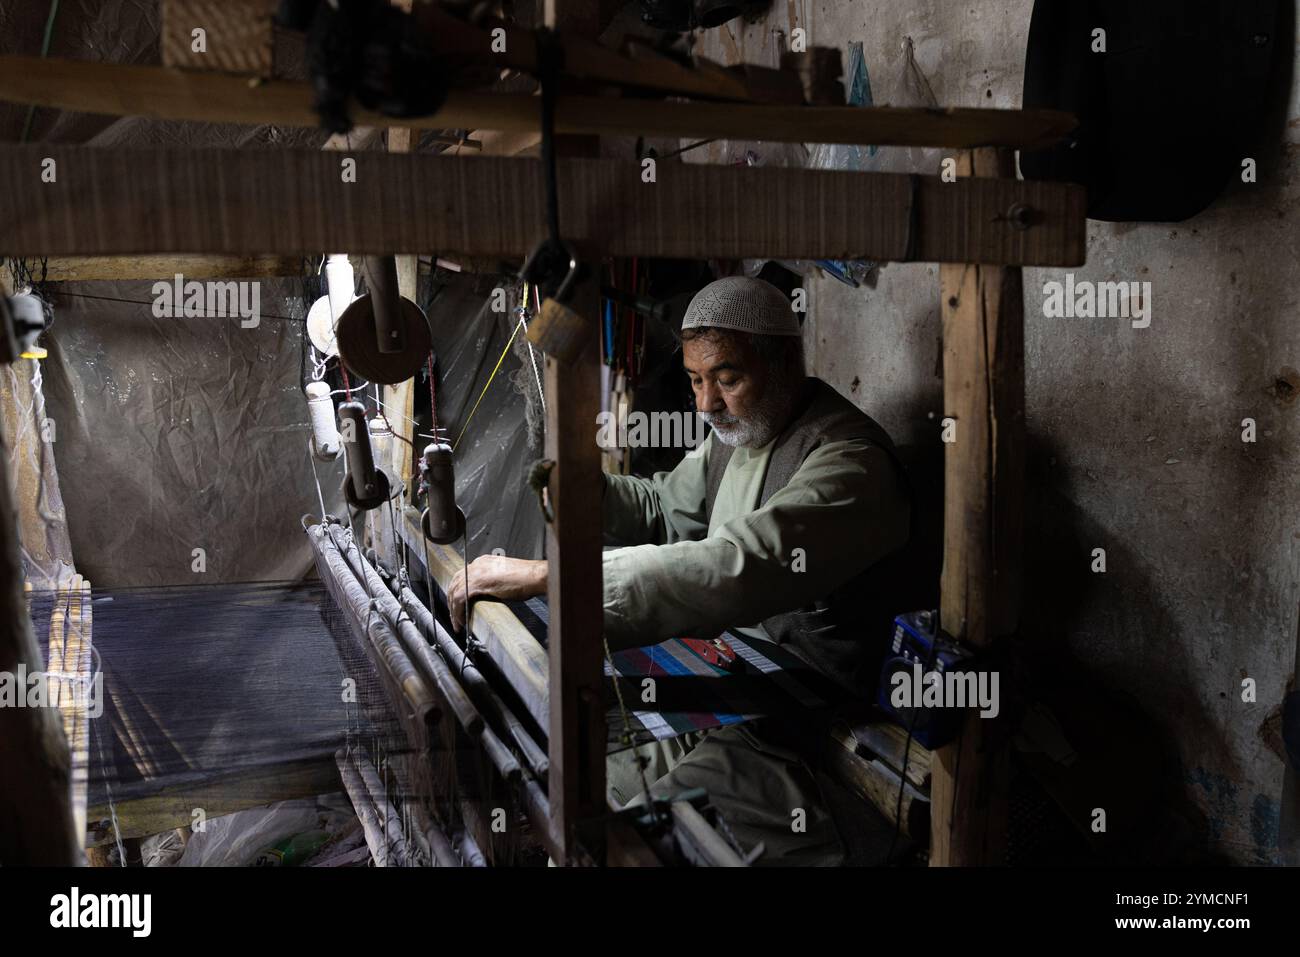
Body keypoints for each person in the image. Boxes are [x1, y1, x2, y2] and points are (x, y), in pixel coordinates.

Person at [448, 276, 911, 864]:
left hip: (802, 725)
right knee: (590, 780)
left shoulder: (853, 467)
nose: (704, 404)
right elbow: (664, 506)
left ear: (787, 363)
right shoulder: (739, 435)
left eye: (727, 378)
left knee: (639, 839)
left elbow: (739, 565)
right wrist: (582, 488)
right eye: (695, 380)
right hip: (733, 683)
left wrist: (552, 578)